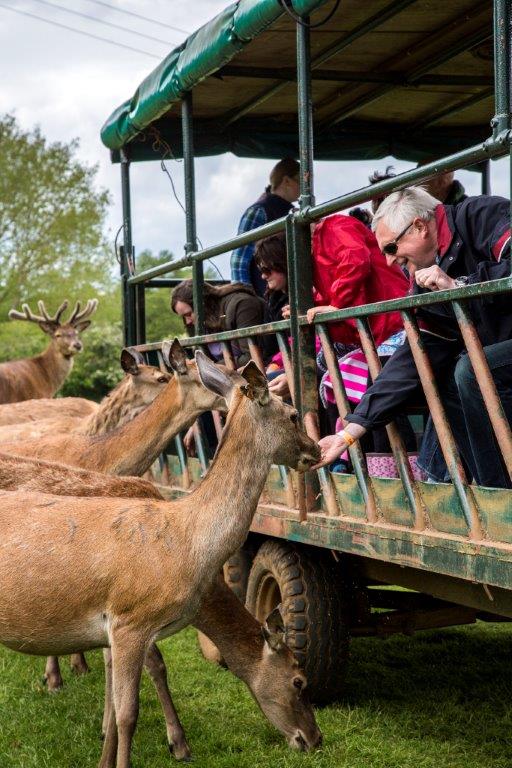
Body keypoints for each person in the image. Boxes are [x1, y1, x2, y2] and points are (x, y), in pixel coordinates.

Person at [314, 187, 512, 488]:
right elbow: (415, 356)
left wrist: (461, 286)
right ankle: (494, 491)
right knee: (446, 375)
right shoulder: (424, 280)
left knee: (469, 370)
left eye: (391, 249)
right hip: (499, 355)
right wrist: (349, 432)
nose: (390, 262)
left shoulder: (482, 216)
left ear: (419, 226)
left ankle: (499, 490)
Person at [230, 158, 300, 296]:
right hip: (262, 295)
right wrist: (245, 296)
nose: (306, 186)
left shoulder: (290, 212)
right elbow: (239, 260)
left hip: (281, 294)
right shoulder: (259, 211)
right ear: (286, 181)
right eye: (301, 180)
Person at [170, 279, 265, 366]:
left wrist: (211, 366)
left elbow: (252, 357)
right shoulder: (203, 321)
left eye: (188, 314)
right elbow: (204, 357)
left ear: (204, 305)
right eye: (183, 317)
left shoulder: (242, 304)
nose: (187, 322)